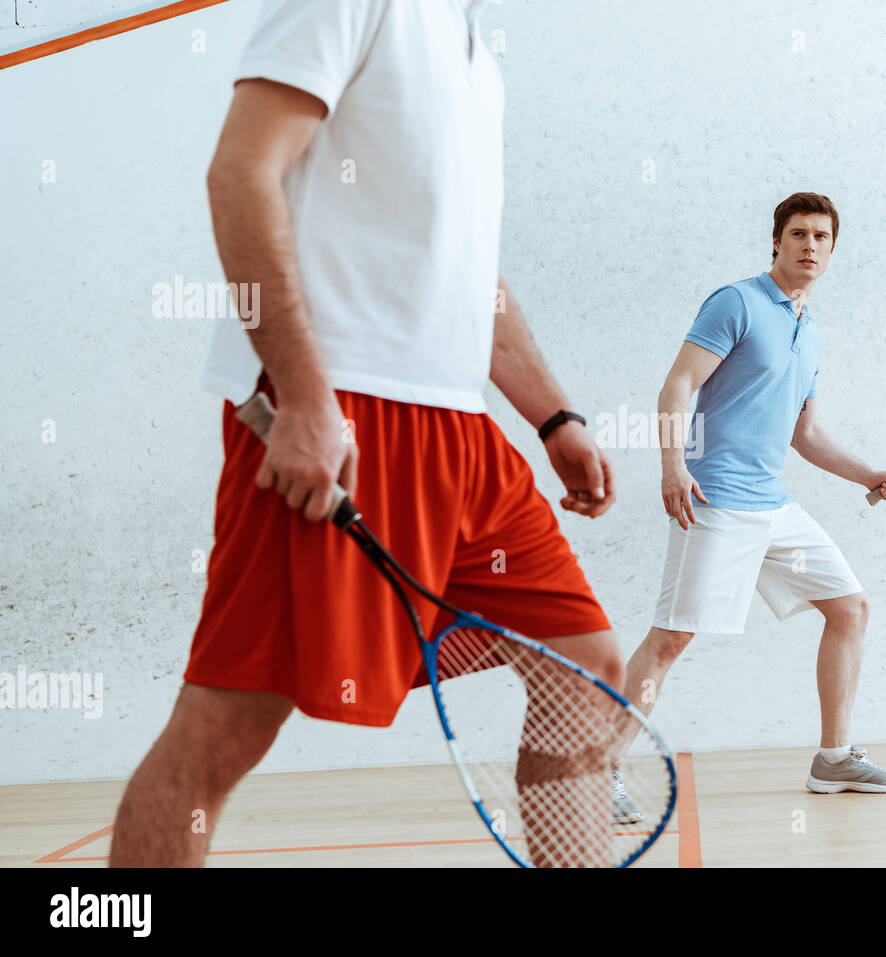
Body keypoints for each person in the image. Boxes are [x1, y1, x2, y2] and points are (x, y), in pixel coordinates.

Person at [110, 0, 622, 866]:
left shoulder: (475, 60)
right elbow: (239, 173)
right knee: (228, 726)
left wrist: (551, 412)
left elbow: (464, 266)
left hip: (460, 431)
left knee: (584, 665)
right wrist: (305, 398)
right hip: (340, 415)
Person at [614, 192, 886, 818]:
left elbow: (804, 435)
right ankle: (598, 771)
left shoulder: (812, 333)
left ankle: (833, 758)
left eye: (822, 237)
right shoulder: (737, 303)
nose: (810, 245)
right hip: (715, 503)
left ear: (832, 250)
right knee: (670, 641)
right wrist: (672, 465)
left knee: (850, 609)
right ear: (775, 241)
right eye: (798, 233)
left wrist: (869, 473)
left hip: (772, 509)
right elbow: (677, 384)